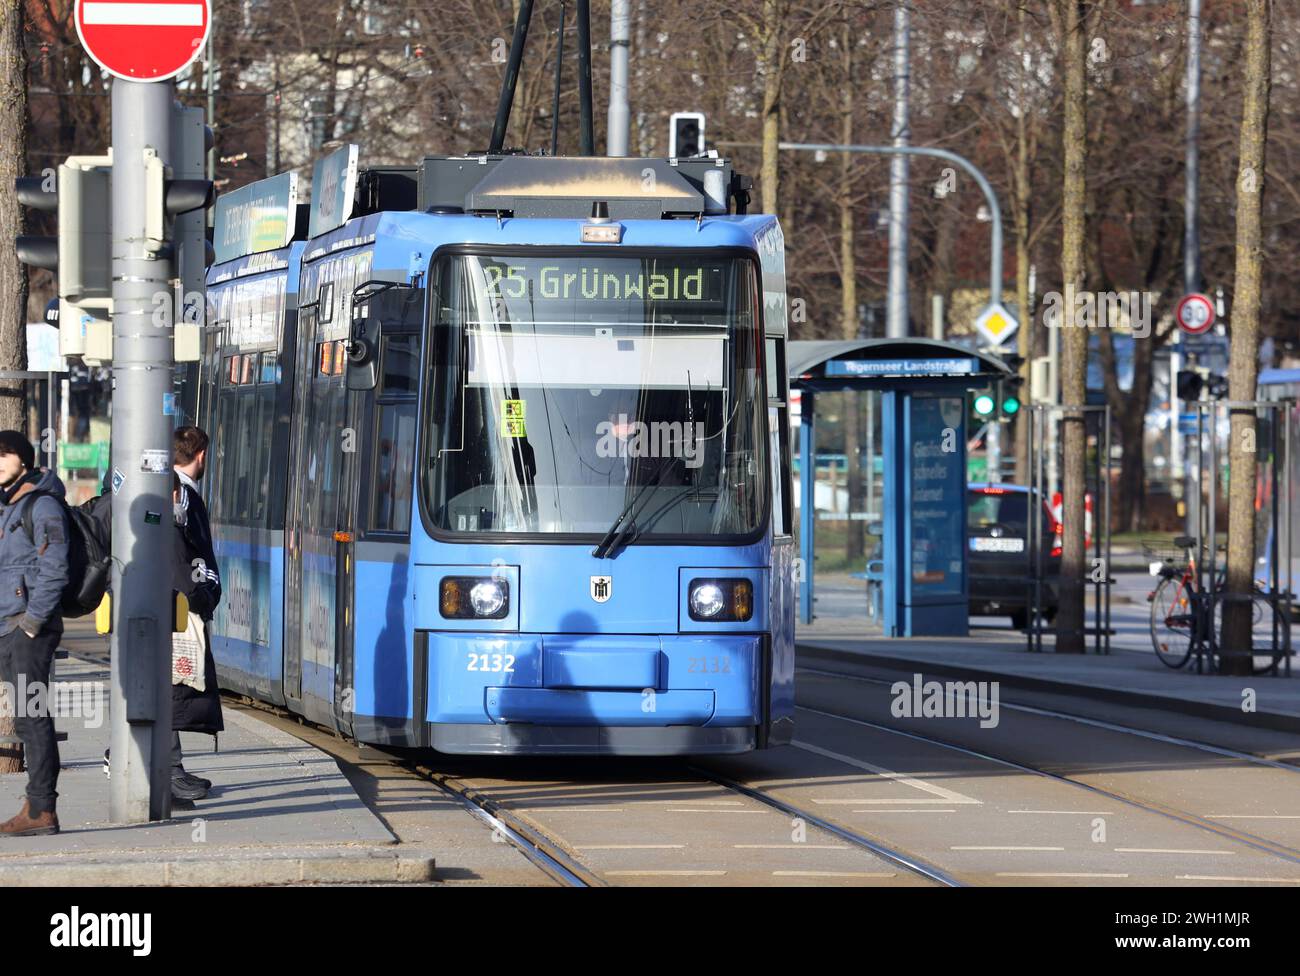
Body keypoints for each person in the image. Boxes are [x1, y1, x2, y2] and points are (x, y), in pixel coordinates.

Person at [0, 431, 69, 836]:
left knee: (33, 716)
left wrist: (32, 623)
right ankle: (35, 804)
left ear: (23, 460)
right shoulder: (8, 506)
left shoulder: (41, 505)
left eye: (5, 454)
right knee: (26, 719)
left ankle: (42, 810)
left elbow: (55, 567)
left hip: (29, 628)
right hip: (10, 626)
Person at [171, 427, 222, 802]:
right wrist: (200, 595)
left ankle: (167, 768)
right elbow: (187, 553)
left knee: (171, 683)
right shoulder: (181, 495)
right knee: (174, 683)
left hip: (175, 602)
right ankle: (166, 771)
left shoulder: (178, 491)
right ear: (201, 454)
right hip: (177, 606)